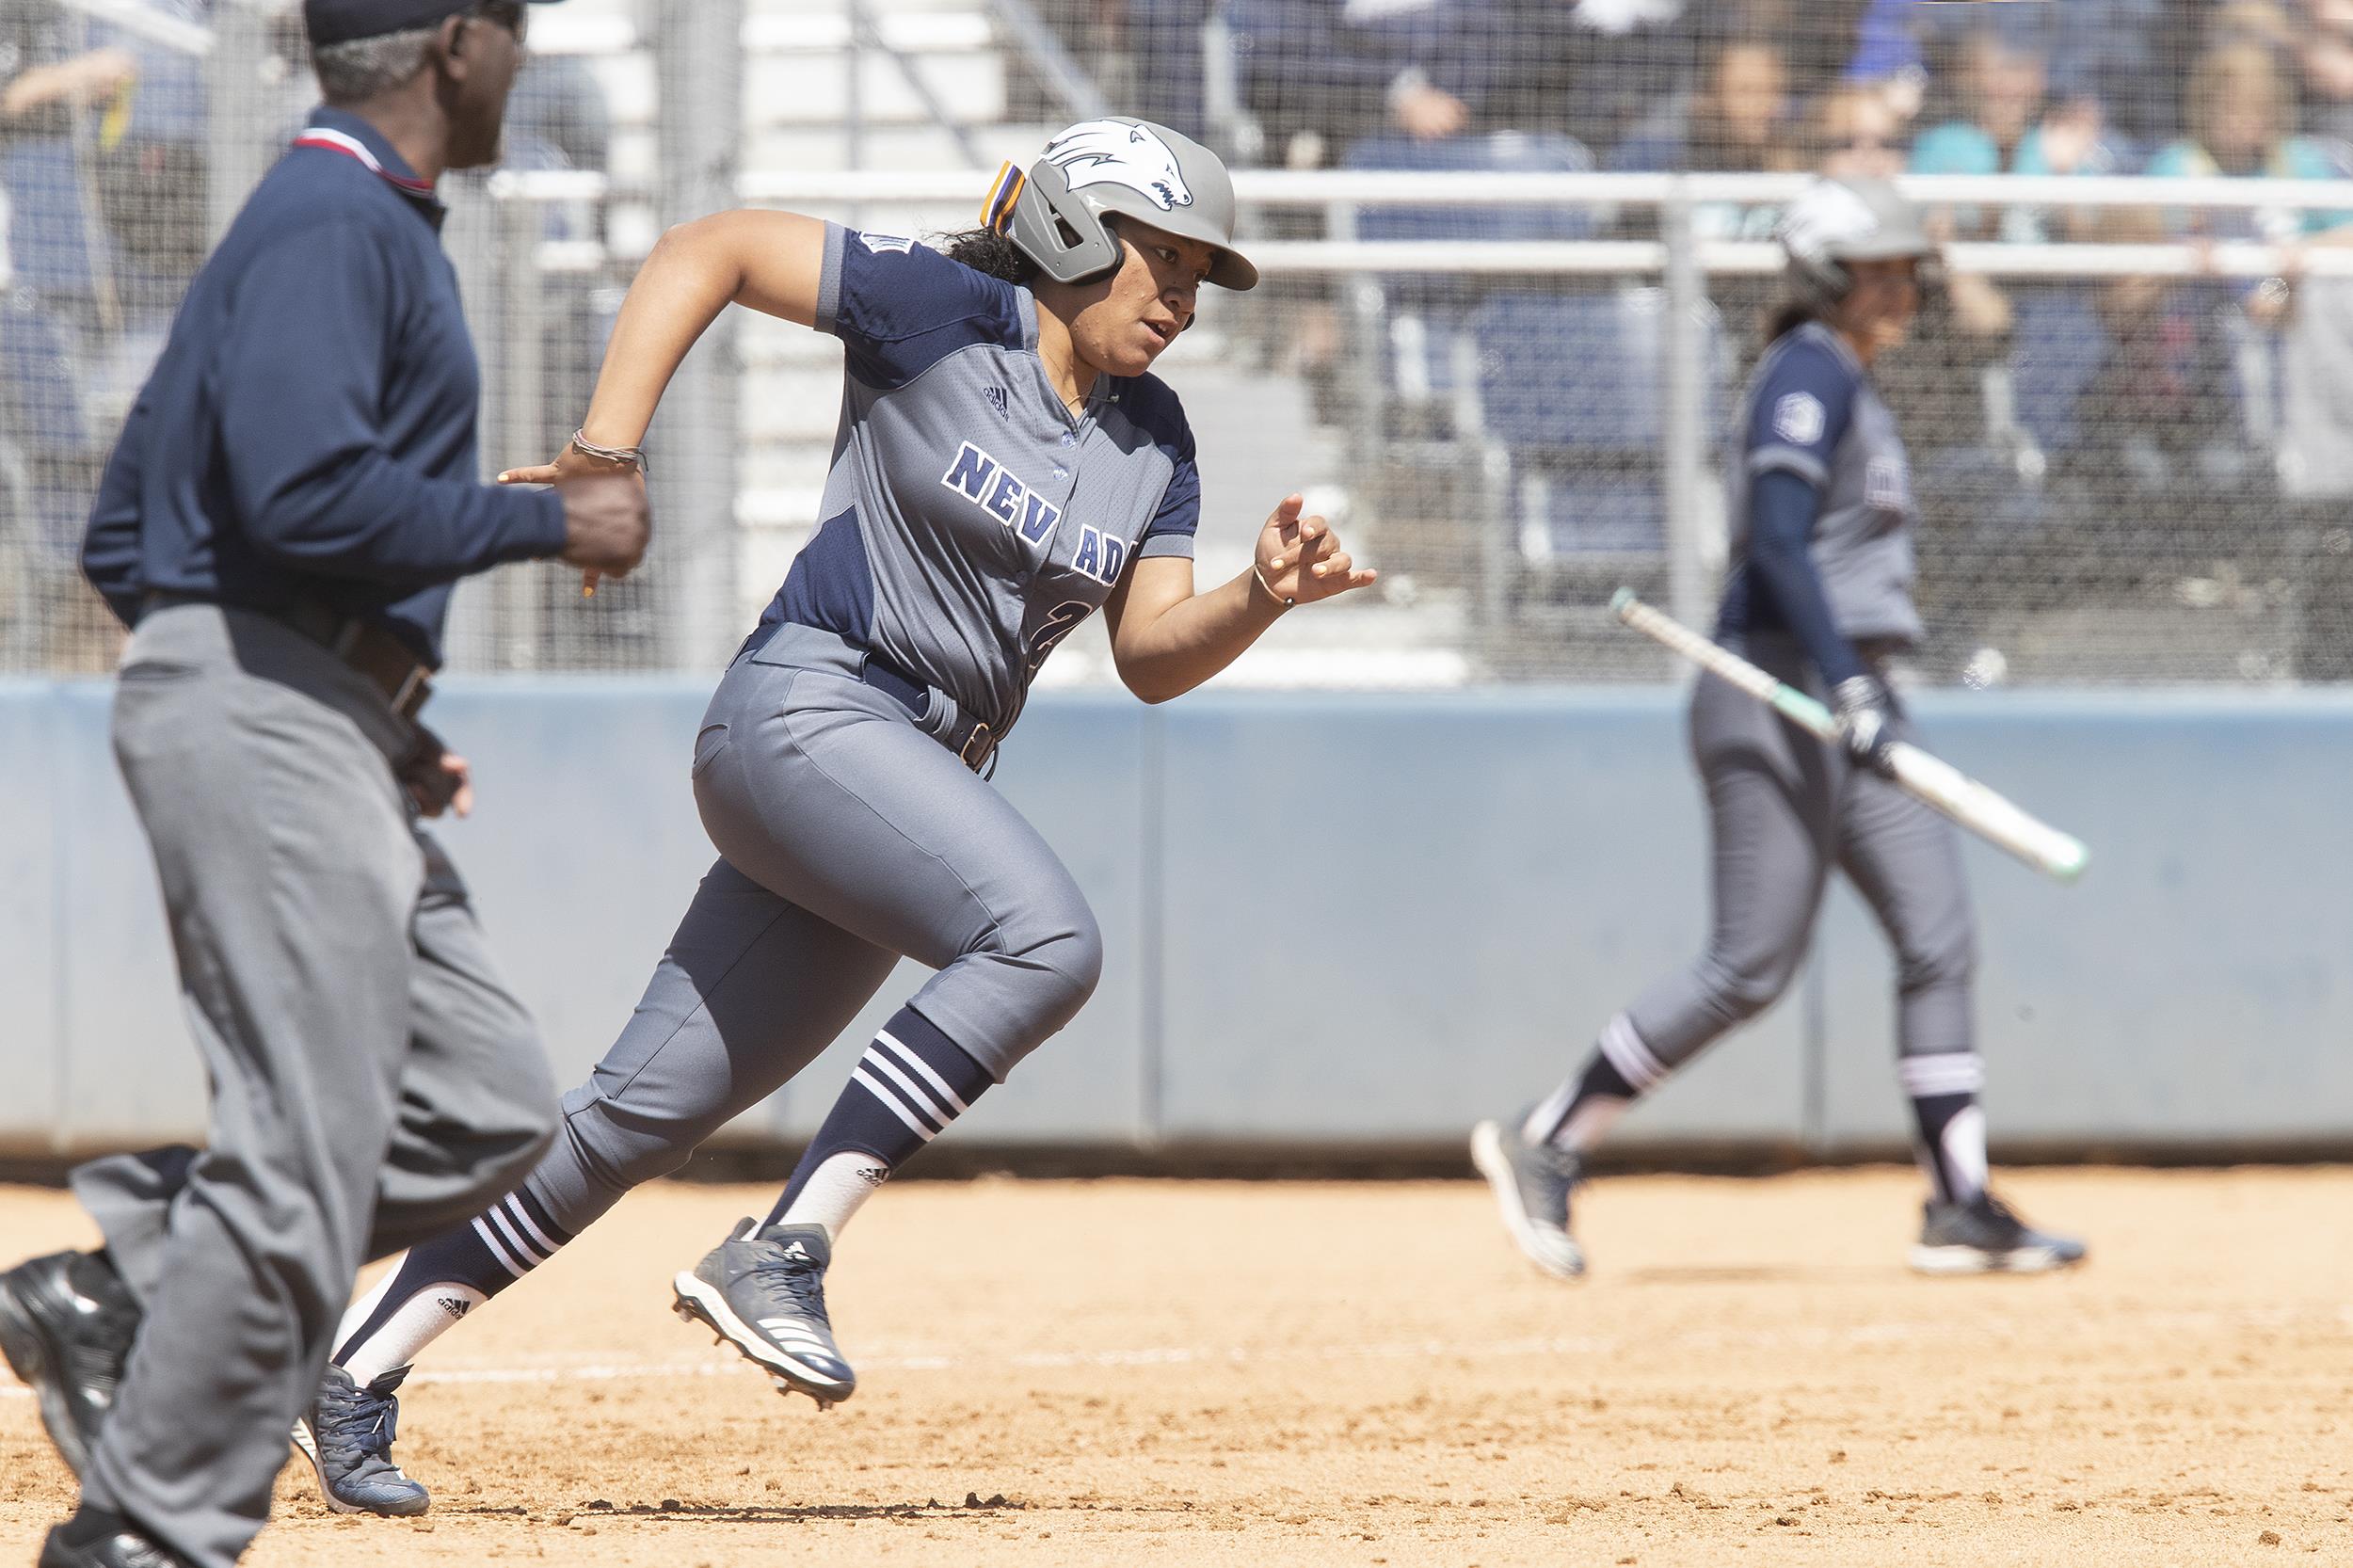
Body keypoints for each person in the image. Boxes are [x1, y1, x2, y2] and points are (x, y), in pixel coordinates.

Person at [298, 115, 1378, 1517]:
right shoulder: (947, 311)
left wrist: (1263, 595)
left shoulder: (1154, 438)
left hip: (908, 779)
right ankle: (789, 1247)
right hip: (808, 713)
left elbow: (1153, 653)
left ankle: (357, 1368)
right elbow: (711, 247)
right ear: (1068, 231)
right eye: (1158, 257)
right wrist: (603, 449)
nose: (1177, 297)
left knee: (635, 1114)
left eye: (1198, 274)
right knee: (1043, 939)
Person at [0, 3, 652, 1565]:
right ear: (450, 46)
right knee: (302, 1153)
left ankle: (134, 1279)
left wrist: (360, 696)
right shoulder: (331, 216)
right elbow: (303, 493)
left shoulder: (336, 220)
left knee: (486, 1098)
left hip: (300, 703)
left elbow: (123, 532)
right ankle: (152, 1531)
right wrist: (544, 527)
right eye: (512, 32)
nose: (524, 61)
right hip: (263, 709)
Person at [1471, 178, 2087, 1283]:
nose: (1904, 287)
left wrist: (1861, 689)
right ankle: (1548, 1139)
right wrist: (1847, 683)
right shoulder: (1805, 370)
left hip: (1853, 693)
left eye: (1909, 268)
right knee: (1751, 965)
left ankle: (1957, 1202)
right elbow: (1780, 547)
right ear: (1825, 277)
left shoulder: (1853, 381)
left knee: (1937, 934)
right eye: (1881, 269)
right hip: (1778, 687)